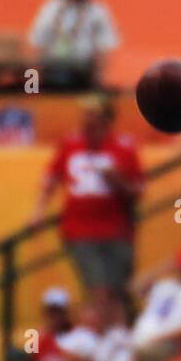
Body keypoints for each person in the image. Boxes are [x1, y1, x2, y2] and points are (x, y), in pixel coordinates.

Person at [34, 97, 142, 296]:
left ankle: (114, 327)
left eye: (92, 114)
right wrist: (39, 211)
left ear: (105, 118)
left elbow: (137, 191)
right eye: (86, 113)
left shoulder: (124, 146)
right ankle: (99, 326)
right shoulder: (70, 143)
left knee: (119, 291)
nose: (86, 119)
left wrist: (117, 180)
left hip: (116, 229)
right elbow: (52, 177)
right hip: (79, 229)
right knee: (97, 288)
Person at [28, 0, 118, 91]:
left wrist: (98, 79)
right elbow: (37, 44)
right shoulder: (50, 8)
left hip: (83, 75)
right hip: (51, 73)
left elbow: (103, 47)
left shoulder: (96, 11)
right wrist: (34, 81)